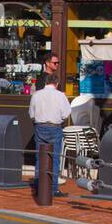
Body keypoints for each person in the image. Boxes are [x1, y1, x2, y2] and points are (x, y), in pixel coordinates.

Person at [29, 56, 70, 197]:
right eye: (55, 62)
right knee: (55, 157)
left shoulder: (36, 95)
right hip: (54, 127)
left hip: (40, 126)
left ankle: (39, 185)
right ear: (56, 84)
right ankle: (52, 188)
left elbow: (31, 114)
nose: (57, 64)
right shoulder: (60, 96)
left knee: (40, 156)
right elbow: (66, 114)